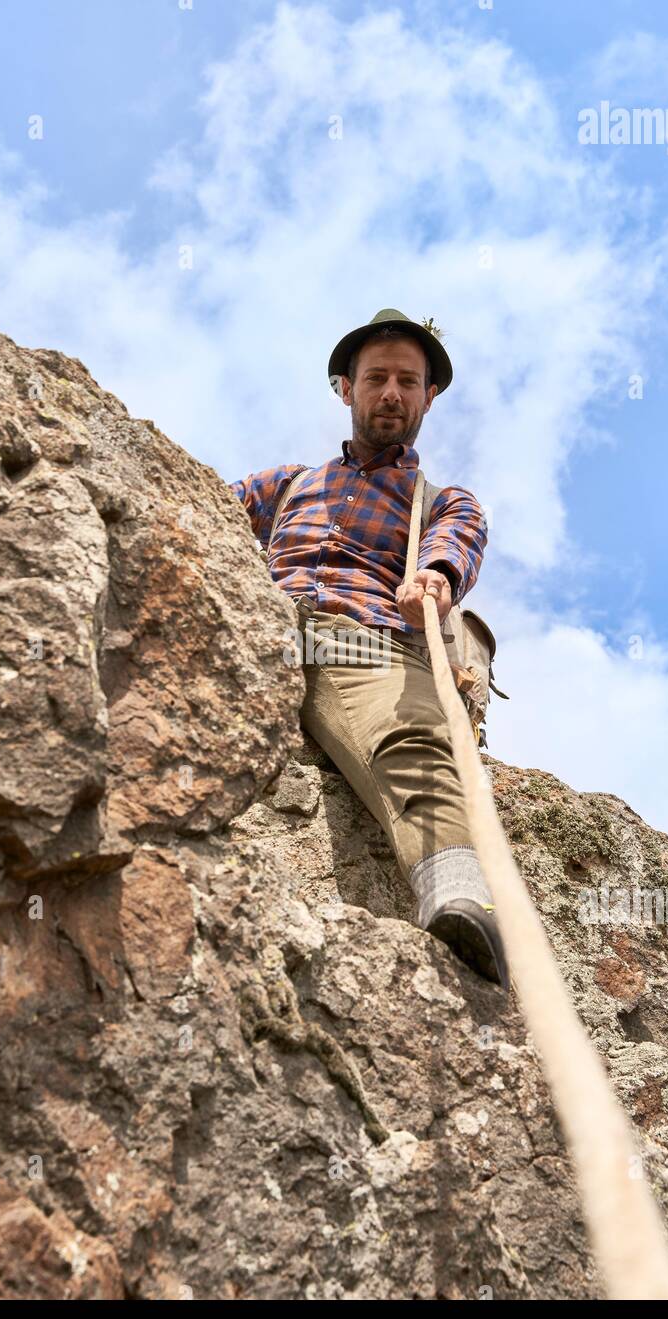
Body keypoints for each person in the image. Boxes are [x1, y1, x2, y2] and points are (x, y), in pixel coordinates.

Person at [230, 309, 509, 989]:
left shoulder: (442, 500)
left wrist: (434, 581)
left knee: (409, 736)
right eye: (376, 378)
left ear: (428, 397)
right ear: (344, 388)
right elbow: (203, 506)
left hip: (364, 642)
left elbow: (456, 547)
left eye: (407, 382)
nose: (391, 392)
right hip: (256, 627)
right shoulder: (287, 484)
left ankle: (457, 894)